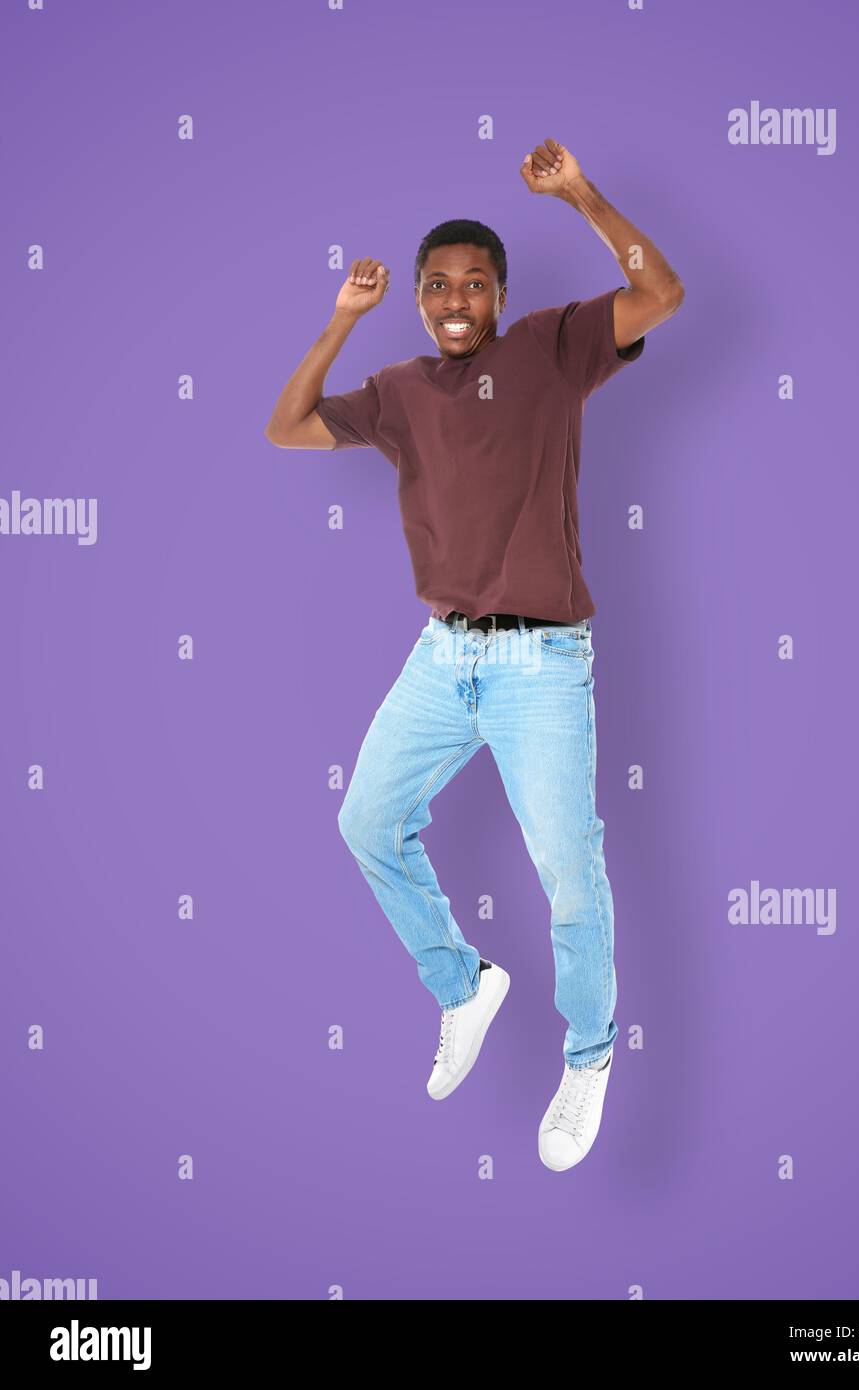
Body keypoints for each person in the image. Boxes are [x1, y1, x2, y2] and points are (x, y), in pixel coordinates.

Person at [265, 138, 684, 1171]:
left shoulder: (553, 348)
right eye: (438, 285)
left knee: (569, 875)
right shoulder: (401, 389)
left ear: (502, 293)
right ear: (417, 299)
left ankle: (588, 1057)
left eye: (476, 282)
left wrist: (580, 193)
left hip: (542, 665)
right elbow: (287, 426)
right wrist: (341, 322)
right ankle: (465, 985)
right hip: (440, 659)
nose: (459, 297)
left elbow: (662, 292)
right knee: (366, 821)